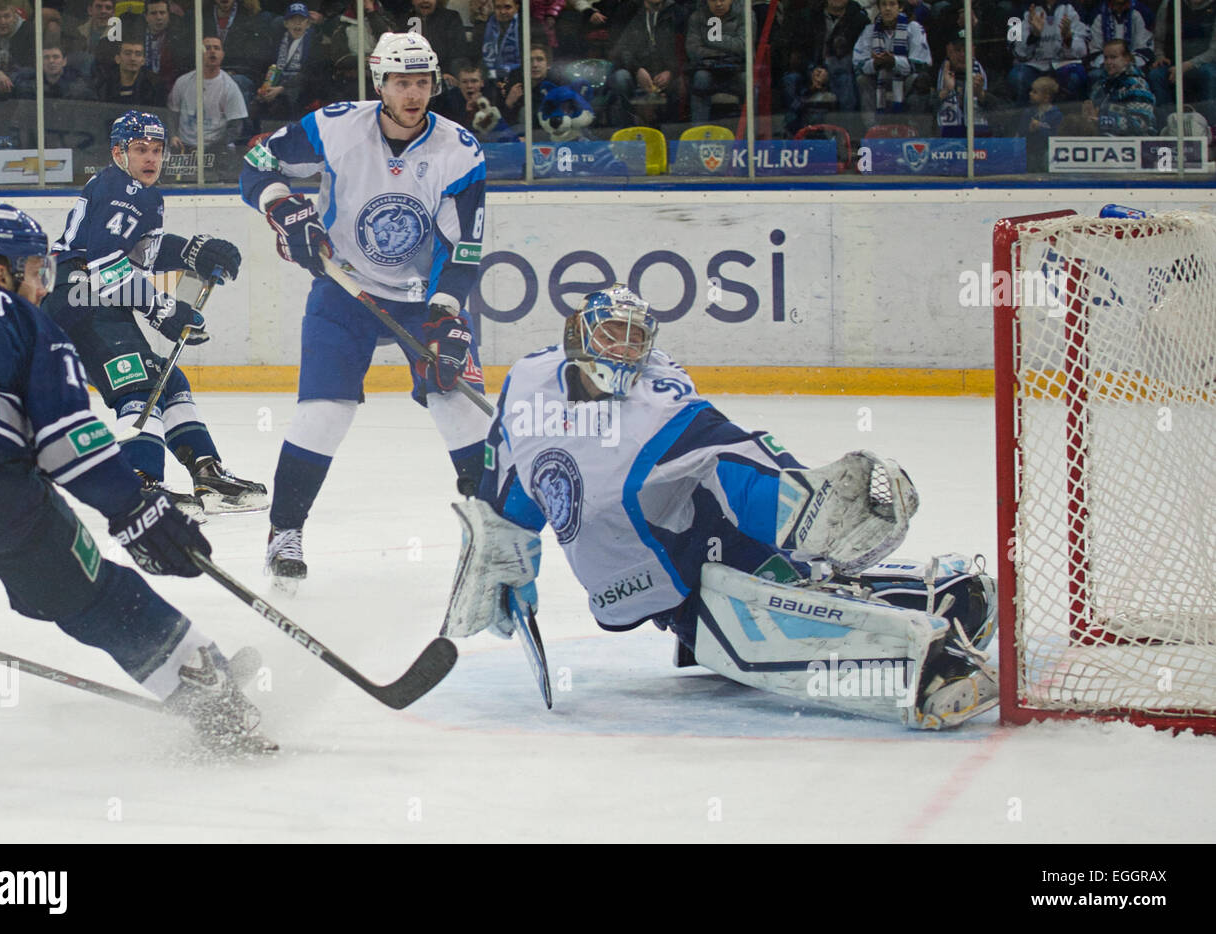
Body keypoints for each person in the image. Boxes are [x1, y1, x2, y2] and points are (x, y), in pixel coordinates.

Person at [439, 284, 999, 731]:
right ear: (578, 335)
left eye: (636, 339)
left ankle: (926, 655)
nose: (623, 350)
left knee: (777, 603)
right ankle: (943, 597)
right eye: (611, 334)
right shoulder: (529, 381)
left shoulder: (661, 403)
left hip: (705, 556)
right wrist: (504, 544)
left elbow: (734, 458)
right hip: (667, 583)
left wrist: (810, 502)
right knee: (758, 606)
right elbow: (514, 481)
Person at [0, 202, 273, 754]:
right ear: (0, 272)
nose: (42, 287)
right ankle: (210, 698)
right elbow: (67, 441)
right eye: (35, 273)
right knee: (96, 595)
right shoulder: (31, 324)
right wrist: (135, 509)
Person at [239, 31, 489, 591]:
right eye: (401, 81)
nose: (413, 93)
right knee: (324, 413)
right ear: (380, 83)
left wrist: (447, 315)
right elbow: (256, 162)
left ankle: (493, 534)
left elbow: (463, 249)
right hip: (344, 288)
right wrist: (283, 207)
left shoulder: (461, 150)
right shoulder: (336, 125)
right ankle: (285, 533)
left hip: (424, 298)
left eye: (422, 81)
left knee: (461, 409)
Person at [42, 111, 268, 516]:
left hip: (88, 294)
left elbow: (141, 252)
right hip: (78, 293)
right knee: (140, 383)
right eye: (140, 149)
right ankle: (140, 483)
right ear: (118, 153)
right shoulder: (121, 187)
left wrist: (192, 252)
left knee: (168, 378)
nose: (150, 158)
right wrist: (161, 308)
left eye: (157, 150)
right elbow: (105, 264)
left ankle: (206, 469)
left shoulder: (140, 193)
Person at [853, 0, 932, 127]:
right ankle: (872, 127)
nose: (887, 9)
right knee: (862, 80)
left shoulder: (913, 28)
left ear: (900, 7)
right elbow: (858, 64)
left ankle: (913, 127)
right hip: (877, 78)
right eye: (884, 4)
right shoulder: (869, 30)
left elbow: (920, 64)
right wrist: (876, 63)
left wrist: (894, 61)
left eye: (892, 4)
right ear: (879, 8)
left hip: (905, 79)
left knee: (920, 79)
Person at [167, 37, 250, 153]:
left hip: (213, 150)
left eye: (216, 48)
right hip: (183, 147)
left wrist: (213, 148)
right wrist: (173, 136)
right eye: (207, 48)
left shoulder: (230, 87)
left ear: (222, 55)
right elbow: (172, 113)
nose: (212, 51)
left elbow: (236, 127)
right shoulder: (183, 81)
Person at [1007, 1, 1090, 104]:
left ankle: (1068, 118)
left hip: (1062, 65)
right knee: (1017, 77)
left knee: (1076, 77)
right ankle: (1024, 118)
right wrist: (1034, 36)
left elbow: (1083, 51)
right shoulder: (1017, 11)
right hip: (1032, 66)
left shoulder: (1075, 7)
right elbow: (1015, 52)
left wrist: (1067, 39)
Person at [685, 0, 747, 124]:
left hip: (736, 70)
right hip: (707, 69)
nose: (718, 4)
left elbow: (743, 45)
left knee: (748, 81)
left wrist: (710, 39)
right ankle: (698, 132)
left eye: (723, 0)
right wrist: (724, 53)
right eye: (713, 0)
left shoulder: (745, 15)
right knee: (700, 78)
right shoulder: (696, 17)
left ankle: (750, 134)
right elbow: (693, 49)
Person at [1083, 37, 1156, 134]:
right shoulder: (1100, 85)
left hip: (1134, 143)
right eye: (1106, 58)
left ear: (1127, 59)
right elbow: (1094, 115)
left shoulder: (1136, 84)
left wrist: (1103, 122)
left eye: (1113, 57)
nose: (1108, 62)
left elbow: (1142, 123)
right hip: (1102, 139)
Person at [96, 39, 165, 106]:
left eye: (138, 54)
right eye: (127, 53)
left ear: (143, 61)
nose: (132, 58)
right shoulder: (104, 84)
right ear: (118, 59)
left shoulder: (153, 87)